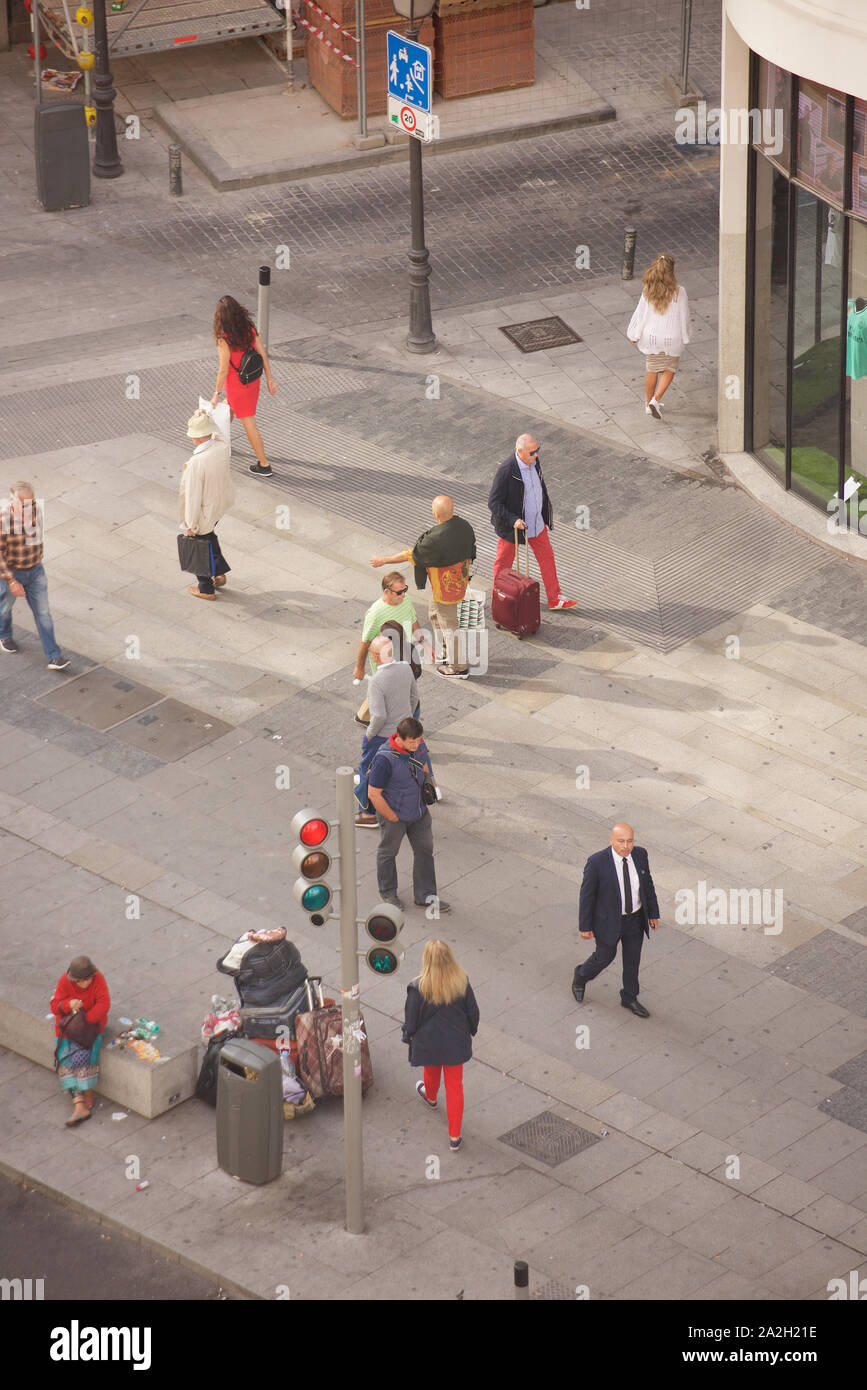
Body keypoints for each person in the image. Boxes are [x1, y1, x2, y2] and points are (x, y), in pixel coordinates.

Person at [369, 495, 477, 679]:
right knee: (434, 614)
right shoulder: (464, 526)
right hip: (458, 582)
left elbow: (413, 554)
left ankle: (458, 667)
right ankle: (445, 652)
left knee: (449, 627)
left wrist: (384, 560)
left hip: (445, 591)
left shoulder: (434, 540)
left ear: (436, 514)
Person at [571, 823, 660, 1018]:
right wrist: (584, 926)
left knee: (632, 961)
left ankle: (629, 997)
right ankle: (581, 975)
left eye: (630, 841)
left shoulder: (640, 855)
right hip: (609, 921)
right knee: (604, 957)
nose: (626, 846)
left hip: (635, 920)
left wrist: (653, 913)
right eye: (621, 841)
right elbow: (586, 896)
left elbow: (647, 885)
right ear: (611, 840)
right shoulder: (597, 862)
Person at [402, 939, 479, 1152]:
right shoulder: (462, 982)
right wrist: (470, 1031)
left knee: (431, 1069)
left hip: (429, 1042)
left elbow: (411, 1021)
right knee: (455, 1087)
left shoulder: (417, 988)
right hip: (455, 1043)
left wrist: (407, 1036)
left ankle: (431, 1096)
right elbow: (473, 1012)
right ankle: (455, 1136)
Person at [367, 716, 449, 914]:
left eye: (419, 740)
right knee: (388, 852)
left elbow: (424, 763)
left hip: (419, 812)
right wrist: (391, 816)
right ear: (400, 739)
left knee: (425, 851)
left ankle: (425, 896)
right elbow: (373, 793)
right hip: (395, 815)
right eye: (412, 741)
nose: (416, 744)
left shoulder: (419, 745)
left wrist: (430, 783)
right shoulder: (384, 759)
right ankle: (388, 892)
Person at [488, 435, 577, 613]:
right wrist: (513, 520)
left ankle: (554, 598)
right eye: (532, 452)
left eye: (537, 451)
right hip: (513, 528)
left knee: (547, 558)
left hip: (535, 523)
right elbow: (493, 502)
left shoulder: (534, 462)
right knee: (504, 563)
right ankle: (498, 596)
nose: (536, 455)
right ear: (519, 452)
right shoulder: (507, 470)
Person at [0, 481, 69, 670]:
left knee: (43, 613)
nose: (28, 507)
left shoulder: (36, 510)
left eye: (30, 503)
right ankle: (4, 634)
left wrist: (36, 560)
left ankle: (54, 656)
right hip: (12, 573)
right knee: (4, 608)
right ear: (12, 500)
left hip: (36, 570)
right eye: (23, 504)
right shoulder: (3, 519)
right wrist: (12, 580)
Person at [355, 633, 420, 829]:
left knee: (367, 770)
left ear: (375, 656)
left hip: (383, 735)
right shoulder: (405, 669)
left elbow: (379, 716)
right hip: (402, 732)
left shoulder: (377, 681)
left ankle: (368, 815)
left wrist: (369, 735)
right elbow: (414, 698)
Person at [210, 294, 277, 477]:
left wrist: (216, 392)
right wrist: (270, 379)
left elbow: (223, 370)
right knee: (229, 407)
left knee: (249, 423)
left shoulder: (224, 339)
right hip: (252, 380)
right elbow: (262, 354)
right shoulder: (249, 329)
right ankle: (218, 440)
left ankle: (264, 464)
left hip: (236, 384)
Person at [353, 572, 429, 727]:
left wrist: (425, 643)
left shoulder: (406, 600)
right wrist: (359, 668)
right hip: (386, 663)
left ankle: (364, 717)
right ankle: (407, 727)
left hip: (405, 656)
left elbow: (413, 620)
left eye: (405, 589)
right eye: (399, 592)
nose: (403, 595)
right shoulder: (376, 613)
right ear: (386, 591)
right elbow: (365, 642)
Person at [179, 409, 235, 600]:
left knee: (199, 544)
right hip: (220, 504)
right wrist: (205, 417)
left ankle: (205, 587)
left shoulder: (197, 462)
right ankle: (219, 572)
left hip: (203, 512)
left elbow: (193, 497)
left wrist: (190, 525)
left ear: (196, 438)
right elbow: (220, 431)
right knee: (210, 536)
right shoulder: (222, 446)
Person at [627, 253, 691, 419]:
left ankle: (648, 403)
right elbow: (684, 316)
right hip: (672, 337)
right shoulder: (679, 292)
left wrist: (634, 333)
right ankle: (656, 400)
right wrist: (685, 337)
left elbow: (640, 314)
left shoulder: (648, 291)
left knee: (652, 369)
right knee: (669, 369)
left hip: (651, 336)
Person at [50, 955, 111, 1127]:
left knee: (83, 1056)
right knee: (65, 1057)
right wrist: (69, 1004)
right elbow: (55, 1006)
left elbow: (104, 1004)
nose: (86, 983)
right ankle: (79, 1103)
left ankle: (87, 1096)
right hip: (68, 1029)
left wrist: (86, 1022)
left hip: (90, 1028)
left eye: (88, 979)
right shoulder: (64, 981)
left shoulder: (98, 979)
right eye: (81, 981)